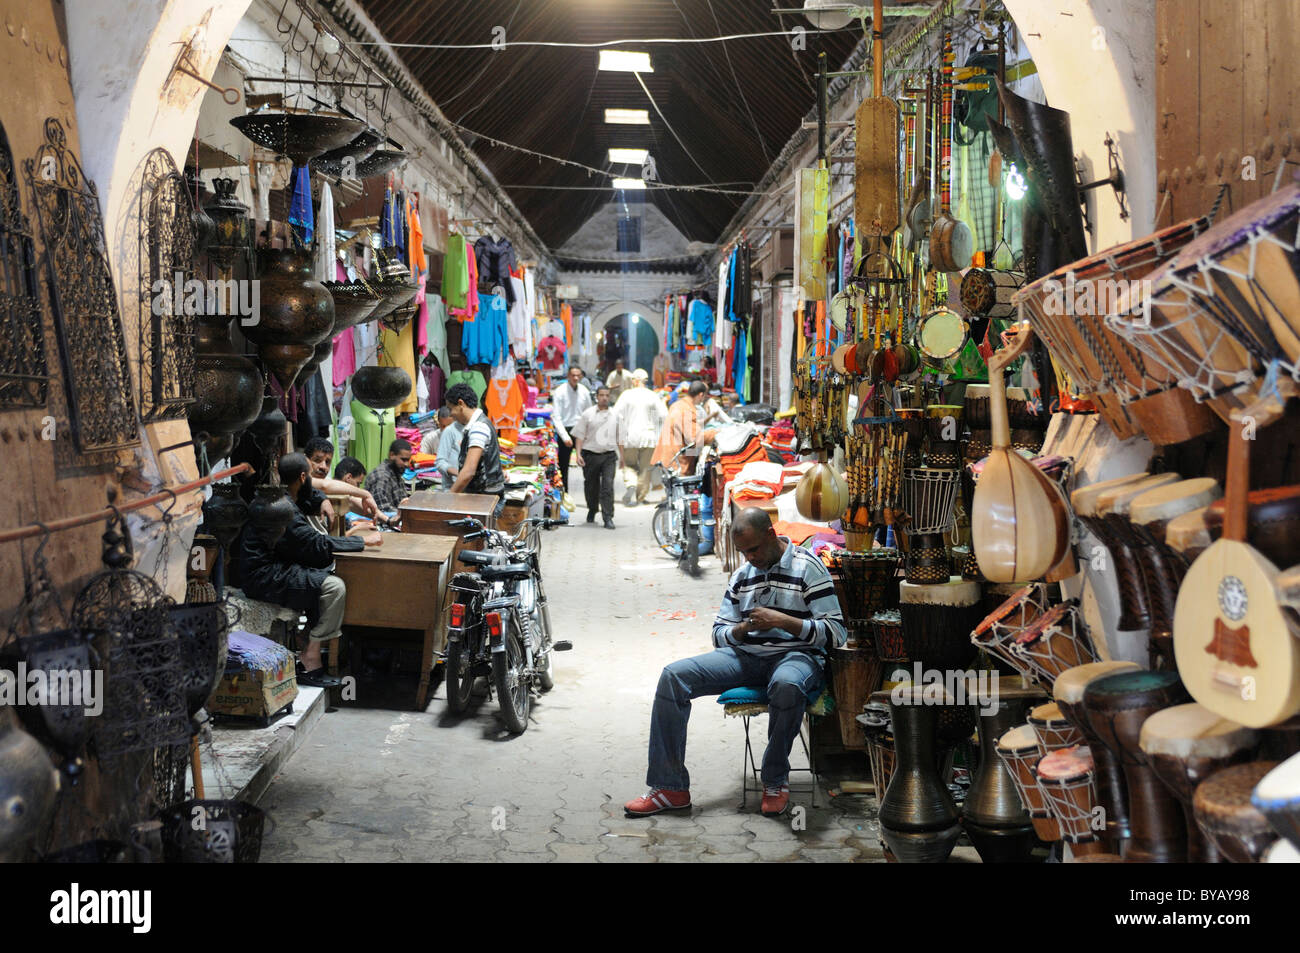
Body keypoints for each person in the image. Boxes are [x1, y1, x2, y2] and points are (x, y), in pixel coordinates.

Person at [624, 508, 846, 818]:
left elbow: (836, 632)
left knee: (787, 684)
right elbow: (719, 634)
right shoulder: (743, 575)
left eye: (754, 549)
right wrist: (743, 629)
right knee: (673, 676)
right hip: (747, 657)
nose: (750, 558)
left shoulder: (808, 568)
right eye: (744, 552)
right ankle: (670, 788)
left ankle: (774, 779)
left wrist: (784, 621)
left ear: (770, 534)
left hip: (796, 656)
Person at [236, 453, 382, 687]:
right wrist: (364, 542)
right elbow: (316, 545)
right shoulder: (284, 510)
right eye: (312, 476)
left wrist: (322, 499)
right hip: (263, 576)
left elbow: (312, 494)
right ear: (303, 476)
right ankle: (310, 657)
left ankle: (306, 639)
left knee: (323, 579)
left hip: (276, 569)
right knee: (334, 587)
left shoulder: (287, 495)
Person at [446, 382, 506, 516]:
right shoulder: (478, 424)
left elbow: (469, 471)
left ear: (461, 404)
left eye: (451, 409)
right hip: (485, 498)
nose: (451, 415)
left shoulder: (478, 428)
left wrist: (449, 498)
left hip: (485, 499)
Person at [614, 369, 666, 506]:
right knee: (645, 469)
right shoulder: (652, 396)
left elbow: (615, 415)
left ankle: (631, 484)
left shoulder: (626, 395)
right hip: (649, 437)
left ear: (635, 381)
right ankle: (641, 497)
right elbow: (663, 415)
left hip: (630, 436)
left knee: (629, 465)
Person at [572, 386, 621, 529]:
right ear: (597, 397)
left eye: (607, 395)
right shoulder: (588, 414)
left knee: (608, 486)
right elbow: (580, 435)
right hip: (590, 455)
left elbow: (620, 437)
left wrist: (622, 457)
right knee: (591, 486)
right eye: (602, 395)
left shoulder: (616, 415)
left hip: (609, 456)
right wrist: (578, 454)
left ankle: (608, 517)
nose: (604, 398)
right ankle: (592, 509)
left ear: (610, 397)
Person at [652, 380, 710, 475]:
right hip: (676, 461)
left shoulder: (677, 405)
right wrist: (715, 433)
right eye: (704, 396)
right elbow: (694, 438)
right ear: (700, 395)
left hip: (668, 457)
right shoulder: (687, 409)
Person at [551, 365, 593, 493]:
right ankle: (564, 495)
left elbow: (589, 413)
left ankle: (590, 495)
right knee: (563, 466)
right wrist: (564, 437)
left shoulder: (584, 391)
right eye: (573, 375)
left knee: (588, 465)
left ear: (581, 376)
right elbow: (556, 416)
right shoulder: (560, 392)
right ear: (568, 376)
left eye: (578, 375)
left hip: (581, 431)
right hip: (566, 429)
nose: (575, 378)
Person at [420, 406, 464, 489]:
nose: (446, 430)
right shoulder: (430, 439)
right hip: (435, 481)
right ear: (438, 423)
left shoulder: (463, 437)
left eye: (449, 426)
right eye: (443, 426)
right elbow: (421, 462)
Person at [364, 439, 412, 514]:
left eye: (408, 460)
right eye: (403, 460)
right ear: (392, 455)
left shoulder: (395, 473)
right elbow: (382, 510)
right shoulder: (382, 477)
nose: (406, 464)